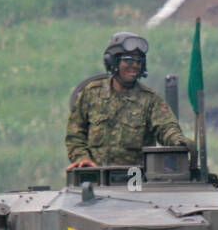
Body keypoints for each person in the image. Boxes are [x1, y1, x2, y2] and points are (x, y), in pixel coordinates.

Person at [65, 32, 190, 169]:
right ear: (113, 61)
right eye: (129, 60)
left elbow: (166, 127)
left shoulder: (150, 100)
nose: (135, 66)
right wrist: (82, 158)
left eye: (139, 62)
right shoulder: (92, 93)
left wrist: (178, 141)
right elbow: (75, 135)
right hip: (95, 177)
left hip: (134, 180)